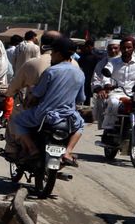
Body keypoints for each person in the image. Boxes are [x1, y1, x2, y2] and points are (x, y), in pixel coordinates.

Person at [10, 34, 85, 164]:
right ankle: (68, 152)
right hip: (68, 117)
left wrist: (31, 97)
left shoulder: (51, 71)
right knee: (80, 126)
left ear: (59, 54)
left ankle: (33, 149)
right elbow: (80, 98)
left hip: (44, 115)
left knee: (18, 120)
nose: (51, 56)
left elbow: (37, 94)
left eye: (53, 53)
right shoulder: (80, 73)